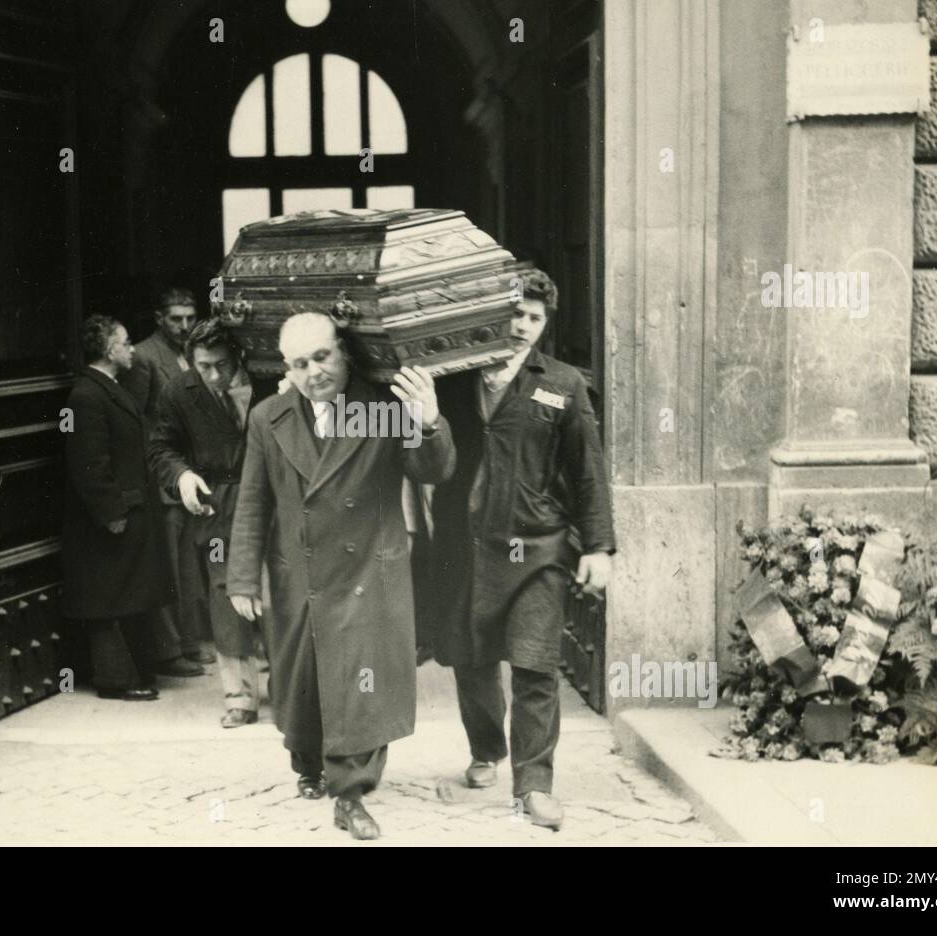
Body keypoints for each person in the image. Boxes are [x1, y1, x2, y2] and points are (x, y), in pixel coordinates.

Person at [227, 313, 456, 840]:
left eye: (322, 357)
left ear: (345, 352)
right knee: (304, 685)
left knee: (360, 687)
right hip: (298, 575)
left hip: (367, 572)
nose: (313, 373)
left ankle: (350, 794)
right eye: (300, 364)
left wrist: (427, 420)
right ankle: (308, 760)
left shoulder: (380, 411)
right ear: (287, 368)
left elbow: (433, 471)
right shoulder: (268, 417)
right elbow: (253, 501)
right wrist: (240, 578)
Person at [429, 270, 616, 830]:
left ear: (544, 326)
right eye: (513, 314)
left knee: (536, 665)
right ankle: (486, 748)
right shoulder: (454, 379)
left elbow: (589, 472)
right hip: (464, 546)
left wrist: (599, 546)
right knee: (470, 656)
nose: (520, 326)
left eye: (533, 318)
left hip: (537, 548)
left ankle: (533, 785)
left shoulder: (561, 383)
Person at [148, 319, 266, 728]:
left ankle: (291, 688)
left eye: (221, 364)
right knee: (224, 595)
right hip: (218, 505)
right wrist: (181, 476)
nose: (213, 375)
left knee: (277, 591)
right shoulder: (179, 391)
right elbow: (161, 447)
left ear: (238, 356)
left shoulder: (271, 380)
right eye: (203, 366)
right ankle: (239, 697)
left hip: (271, 500)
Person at [60, 315, 170, 701]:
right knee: (111, 598)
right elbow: (88, 463)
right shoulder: (86, 395)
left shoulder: (108, 388)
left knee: (126, 594)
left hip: (130, 510)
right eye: (125, 343)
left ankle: (134, 672)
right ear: (109, 350)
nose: (132, 349)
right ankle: (116, 679)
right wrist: (112, 514)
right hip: (112, 517)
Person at [120, 287, 210, 676]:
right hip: (163, 478)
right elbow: (136, 421)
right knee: (169, 567)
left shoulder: (192, 351)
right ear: (160, 318)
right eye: (176, 319)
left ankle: (191, 641)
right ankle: (168, 651)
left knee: (190, 565)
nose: (185, 325)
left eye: (190, 318)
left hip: (190, 474)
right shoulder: (142, 356)